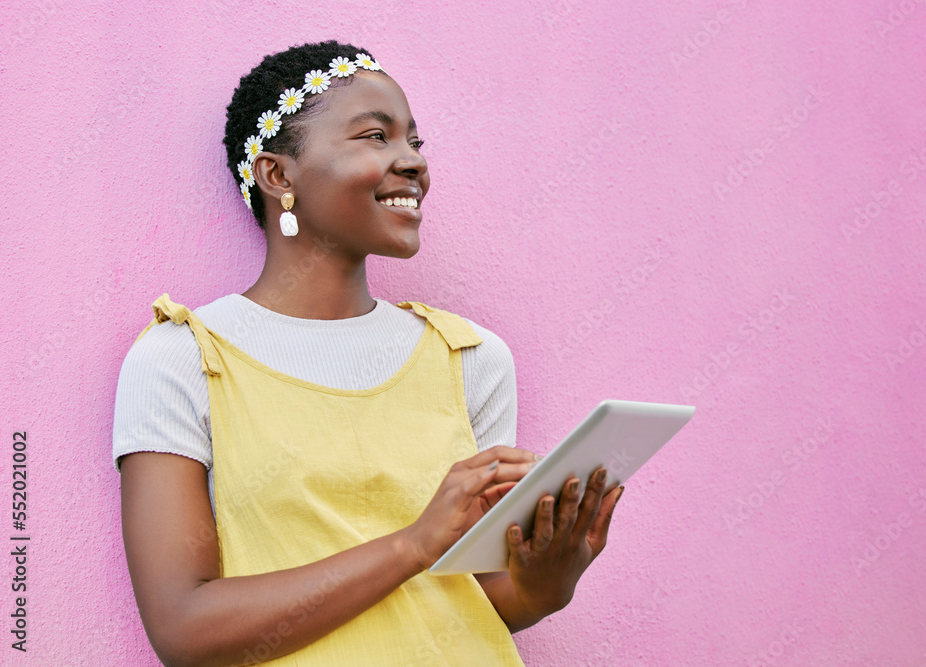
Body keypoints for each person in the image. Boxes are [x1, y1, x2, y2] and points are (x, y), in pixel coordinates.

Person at [113, 39, 623, 666]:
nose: (411, 162)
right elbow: (184, 628)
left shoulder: (470, 358)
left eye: (414, 141)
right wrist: (411, 545)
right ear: (278, 175)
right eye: (375, 137)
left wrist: (547, 582)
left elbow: (477, 602)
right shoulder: (184, 358)